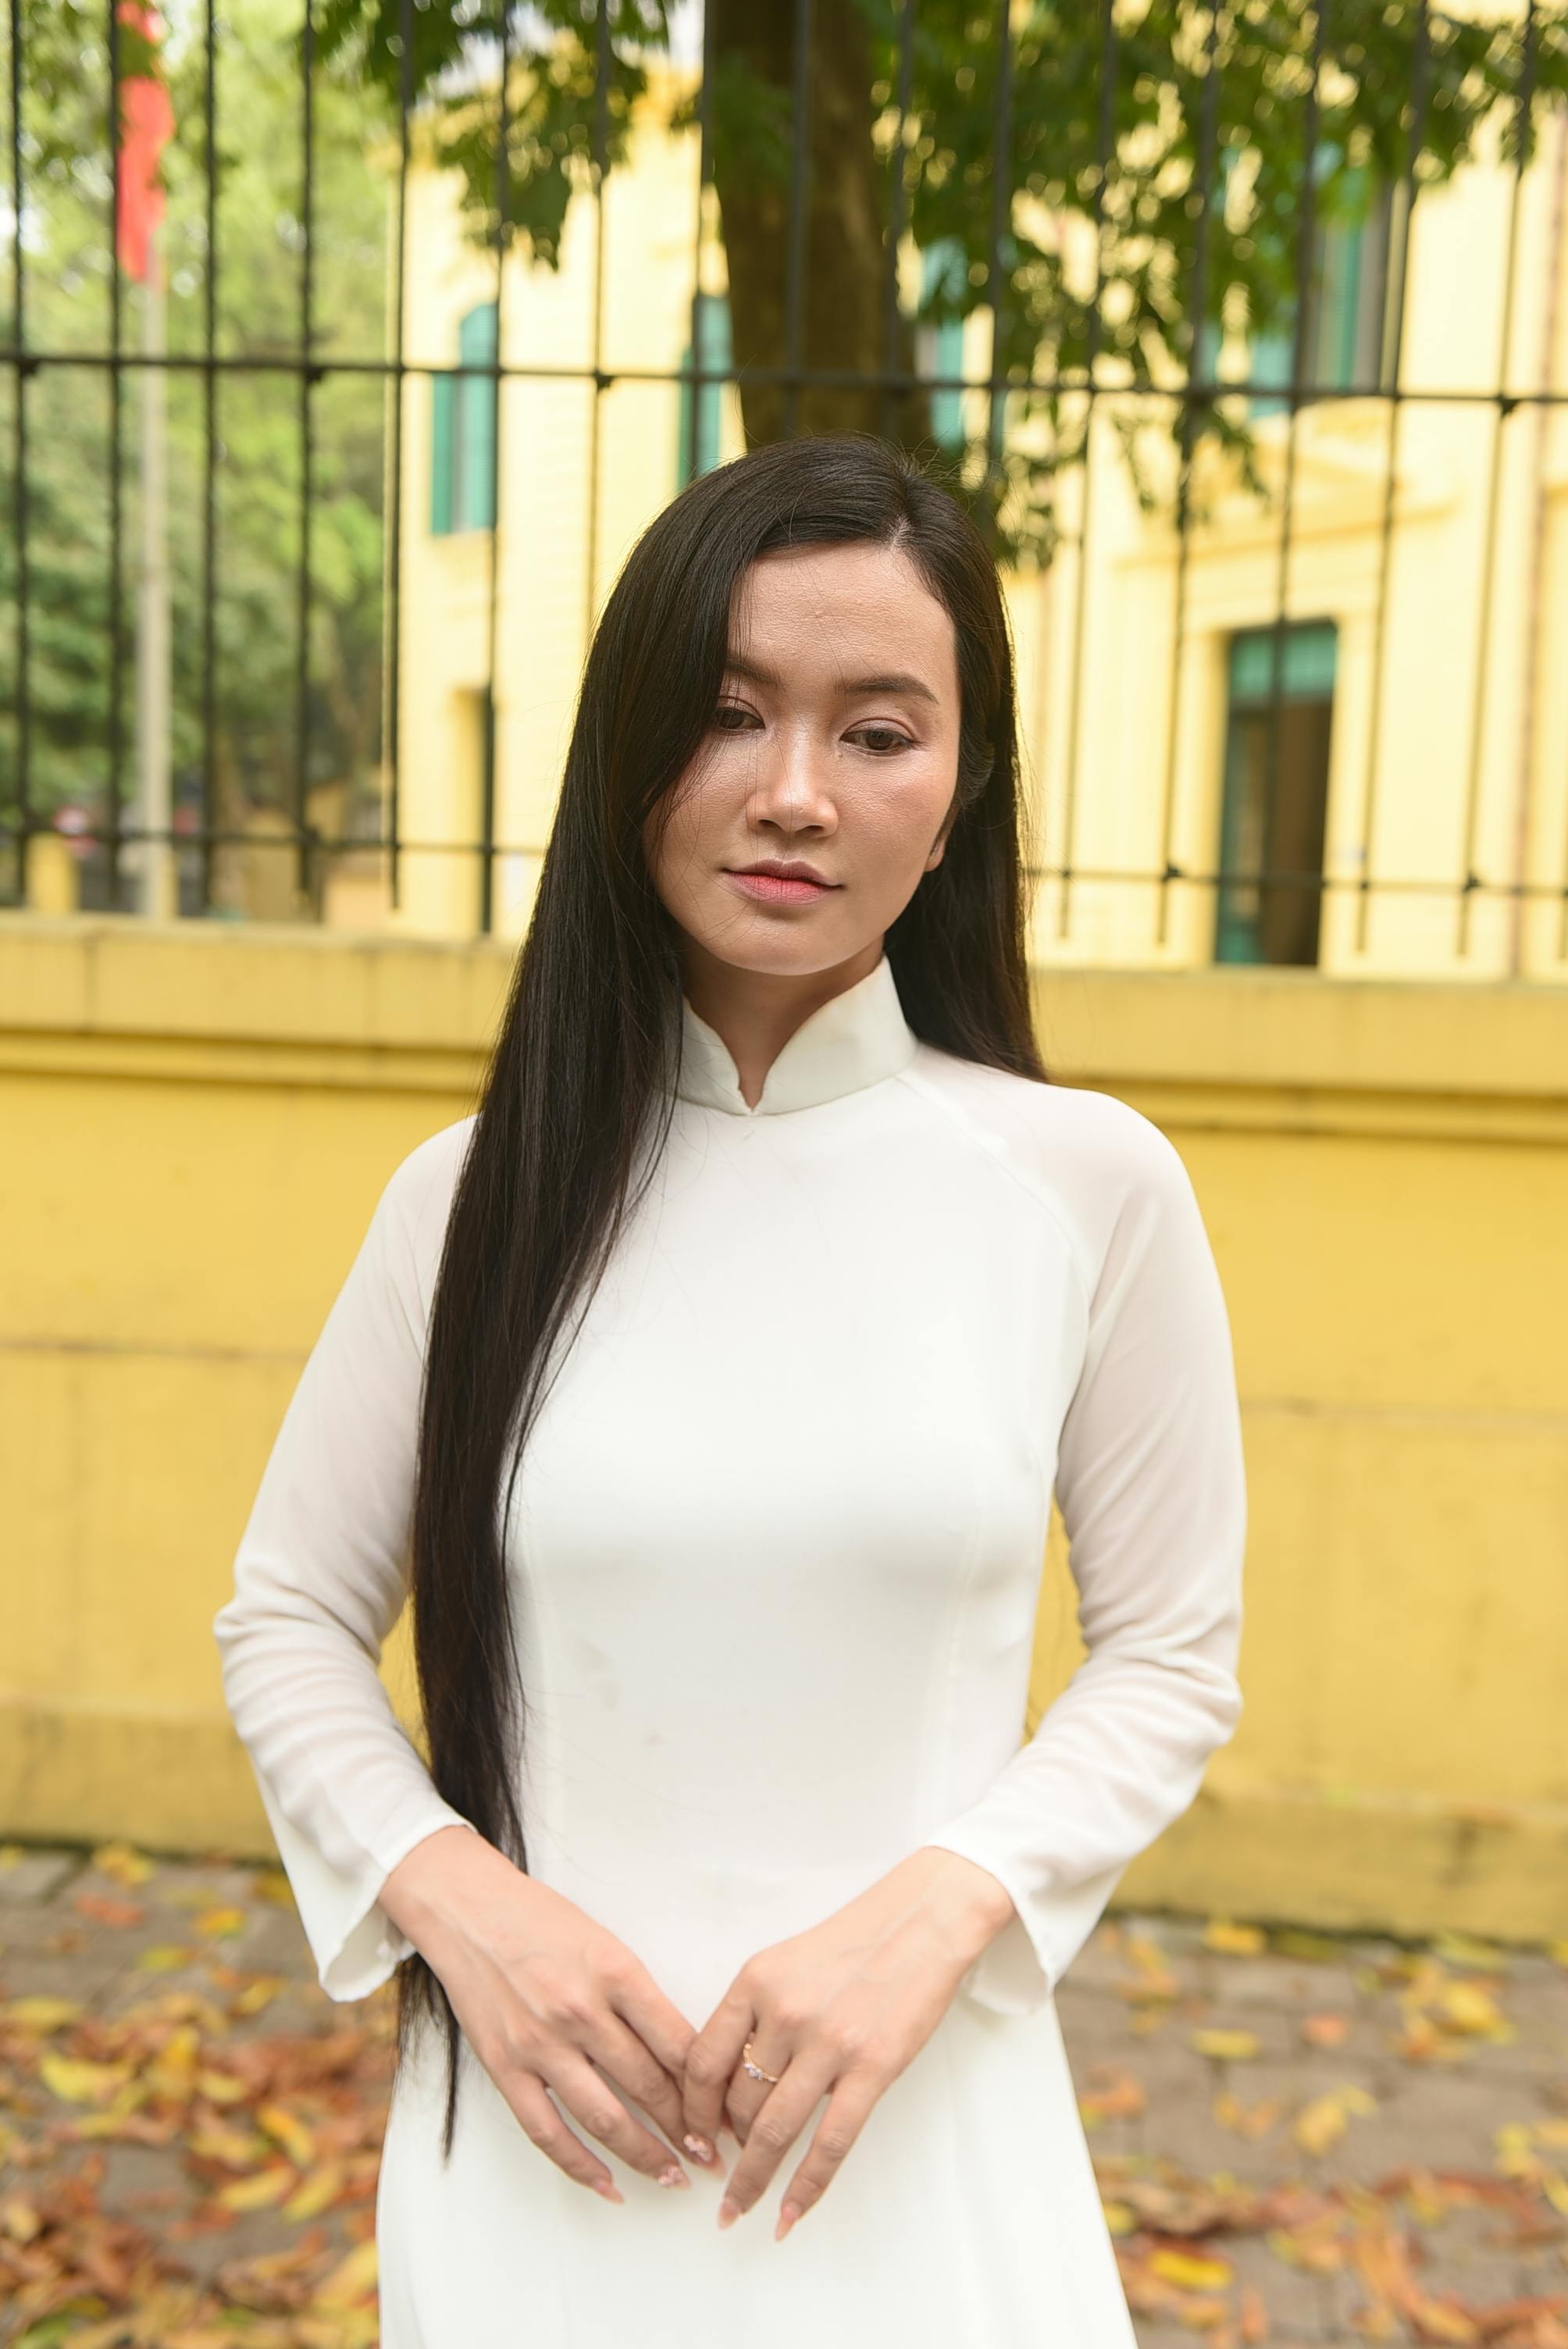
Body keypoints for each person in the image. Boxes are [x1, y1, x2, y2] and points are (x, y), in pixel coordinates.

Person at [213, 431, 1246, 2347]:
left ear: (959, 794)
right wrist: (463, 1907)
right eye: (725, 712)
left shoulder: (1083, 1187)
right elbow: (285, 1619)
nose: (791, 794)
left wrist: (937, 1909)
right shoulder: (469, 1207)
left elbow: (1172, 1652)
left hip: (915, 2148)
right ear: (626, 759)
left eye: (876, 731)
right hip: (541, 2152)